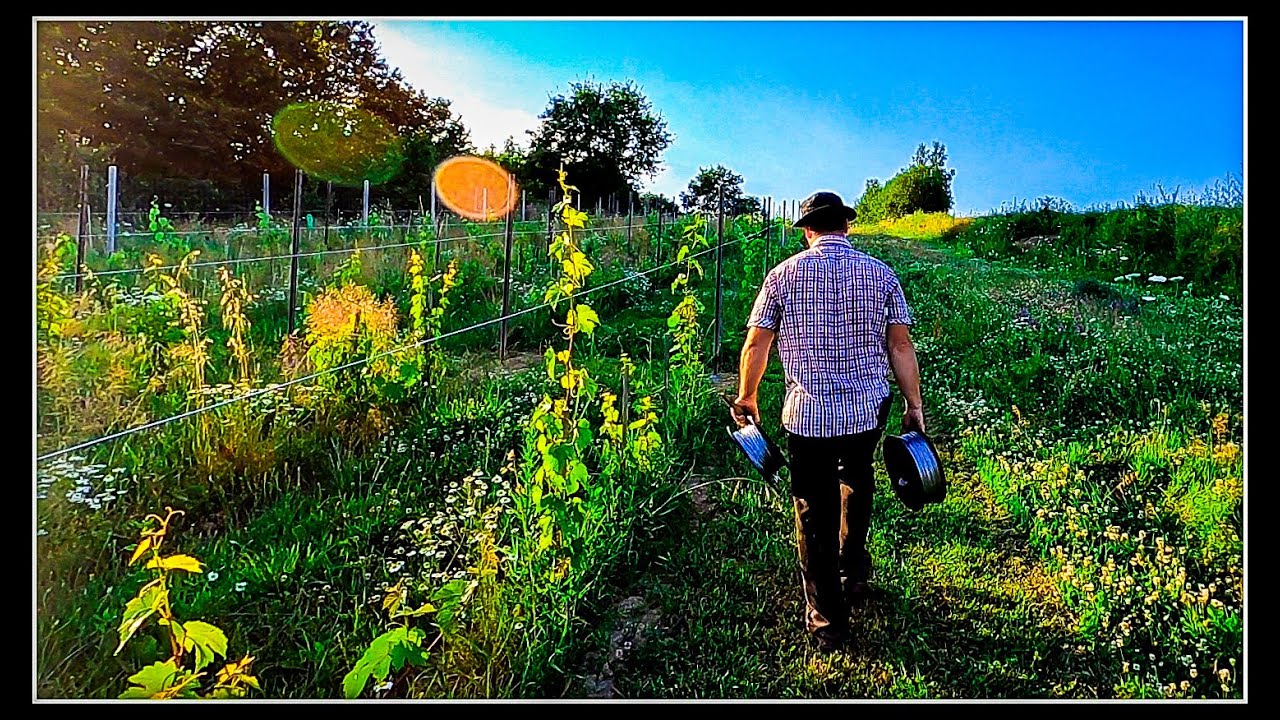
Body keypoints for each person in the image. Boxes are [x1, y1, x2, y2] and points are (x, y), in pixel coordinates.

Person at [731, 190, 925, 652]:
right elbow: (900, 345)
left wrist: (748, 396)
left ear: (807, 231)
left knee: (813, 506)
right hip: (866, 408)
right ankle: (852, 572)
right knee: (857, 475)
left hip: (808, 415)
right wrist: (913, 404)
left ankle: (827, 620)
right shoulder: (881, 275)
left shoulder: (782, 276)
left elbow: (758, 344)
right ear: (846, 227)